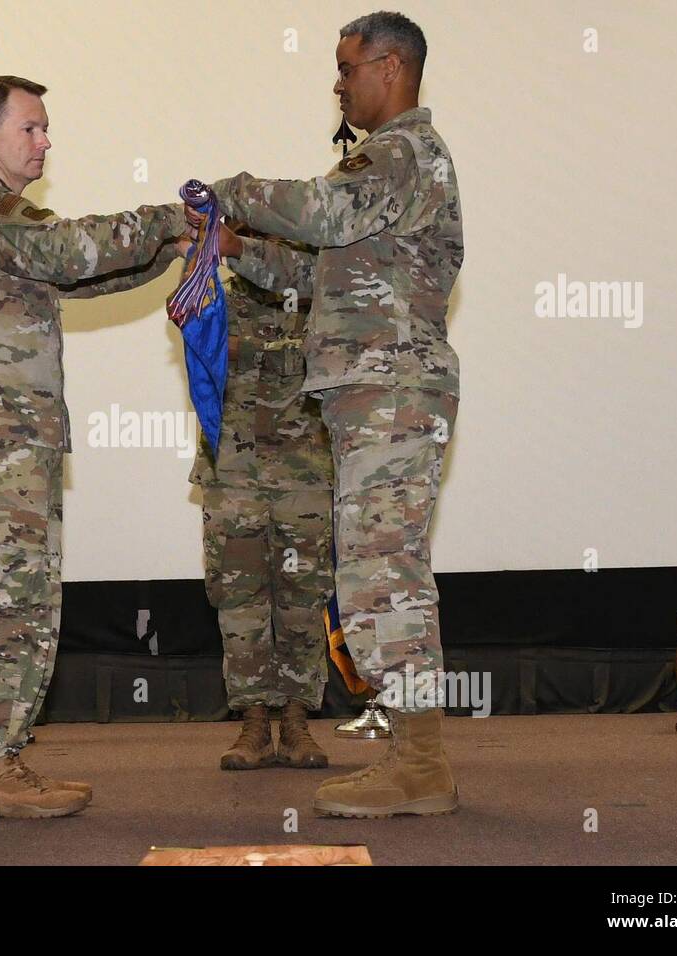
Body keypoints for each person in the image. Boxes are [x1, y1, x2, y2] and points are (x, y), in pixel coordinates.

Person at [198, 11, 464, 817]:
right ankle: (411, 757)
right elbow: (319, 270)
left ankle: (419, 764)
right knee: (375, 572)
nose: (340, 84)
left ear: (389, 66)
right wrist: (239, 251)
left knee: (386, 575)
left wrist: (233, 192)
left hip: (391, 394)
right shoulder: (391, 166)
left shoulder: (400, 153)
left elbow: (322, 214)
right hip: (373, 397)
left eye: (347, 68)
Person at [0, 75, 186, 818]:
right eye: (30, 129)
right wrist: (172, 218)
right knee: (9, 604)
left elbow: (76, 278)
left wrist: (172, 248)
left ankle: (1, 758)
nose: (44, 141)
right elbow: (73, 250)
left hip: (16, 446)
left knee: (27, 601)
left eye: (44, 129)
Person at [188, 225, 334, 772]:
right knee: (240, 599)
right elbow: (198, 344)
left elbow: (326, 355)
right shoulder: (209, 286)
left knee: (302, 597)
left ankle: (297, 722)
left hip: (303, 466)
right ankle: (252, 723)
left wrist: (251, 347)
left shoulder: (313, 288)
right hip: (233, 468)